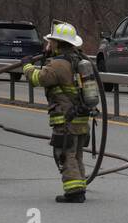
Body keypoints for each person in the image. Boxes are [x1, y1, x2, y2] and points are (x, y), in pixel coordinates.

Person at [23, 22, 90, 203]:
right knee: (76, 154)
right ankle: (79, 186)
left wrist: (27, 67)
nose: (48, 45)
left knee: (65, 154)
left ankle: (74, 192)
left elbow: (39, 79)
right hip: (81, 118)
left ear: (58, 43)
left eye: (51, 42)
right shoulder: (78, 60)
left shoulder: (59, 64)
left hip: (66, 119)